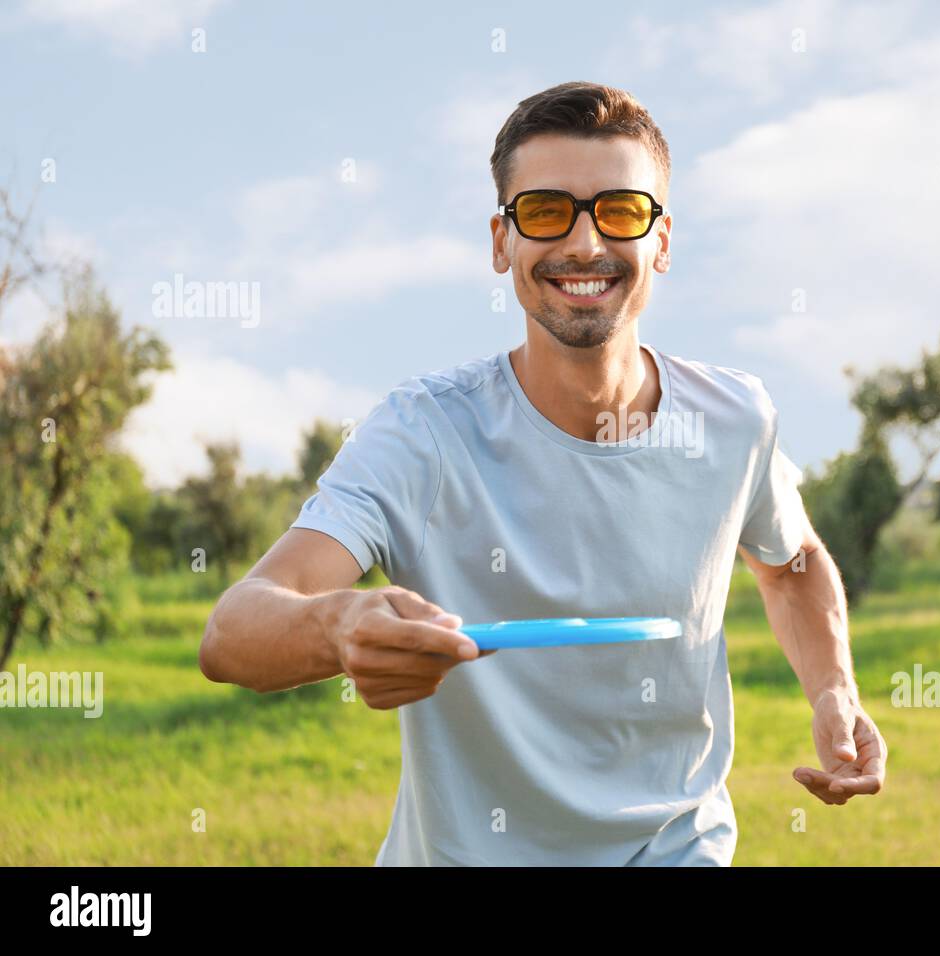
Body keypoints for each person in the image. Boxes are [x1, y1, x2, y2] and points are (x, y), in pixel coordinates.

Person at [199, 80, 887, 866]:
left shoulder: (736, 420)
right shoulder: (423, 432)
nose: (586, 244)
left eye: (621, 210)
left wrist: (835, 692)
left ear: (662, 240)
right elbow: (232, 633)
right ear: (502, 241)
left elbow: (792, 564)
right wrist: (337, 624)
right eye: (547, 210)